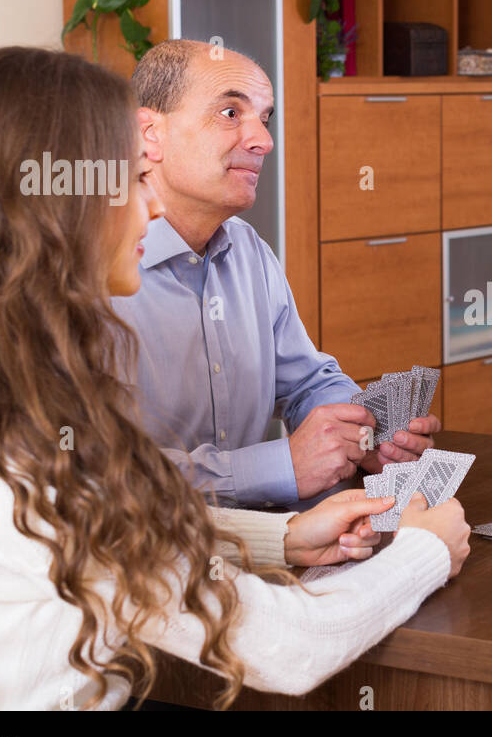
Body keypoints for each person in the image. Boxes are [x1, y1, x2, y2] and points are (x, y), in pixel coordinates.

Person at [0, 46, 470, 710]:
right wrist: (424, 550)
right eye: (131, 179)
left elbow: (105, 543)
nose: (149, 208)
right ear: (58, 213)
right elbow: (294, 647)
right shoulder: (34, 452)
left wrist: (282, 537)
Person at [111, 39, 438, 519]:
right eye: (229, 113)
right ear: (149, 134)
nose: (262, 140)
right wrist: (277, 465)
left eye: (264, 119)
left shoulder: (248, 250)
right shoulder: (91, 270)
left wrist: (365, 432)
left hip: (262, 546)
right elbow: (94, 474)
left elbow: (307, 381)